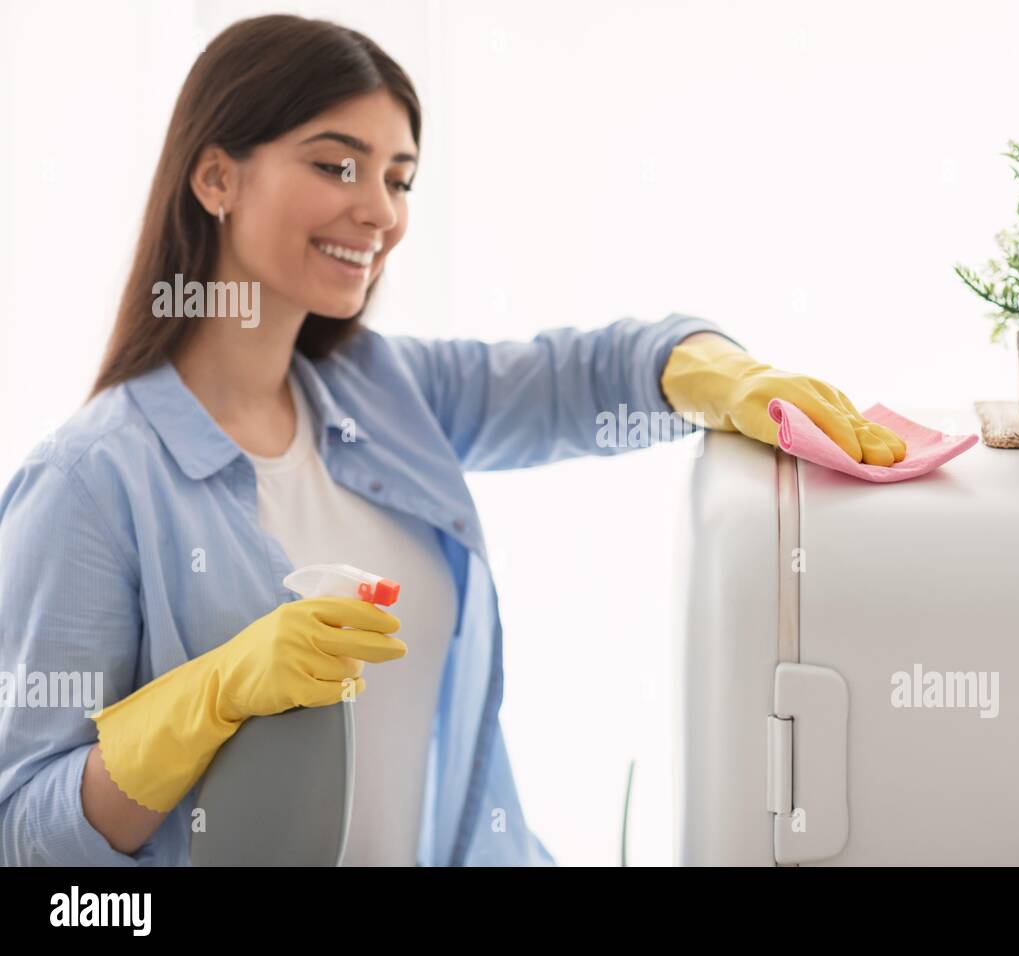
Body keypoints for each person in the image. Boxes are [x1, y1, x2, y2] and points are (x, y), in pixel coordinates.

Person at [0, 14, 903, 867]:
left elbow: (588, 376)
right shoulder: (88, 482)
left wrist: (725, 376)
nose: (382, 214)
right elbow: (21, 831)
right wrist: (206, 699)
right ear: (216, 180)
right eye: (338, 166)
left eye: (398, 179)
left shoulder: (385, 395)